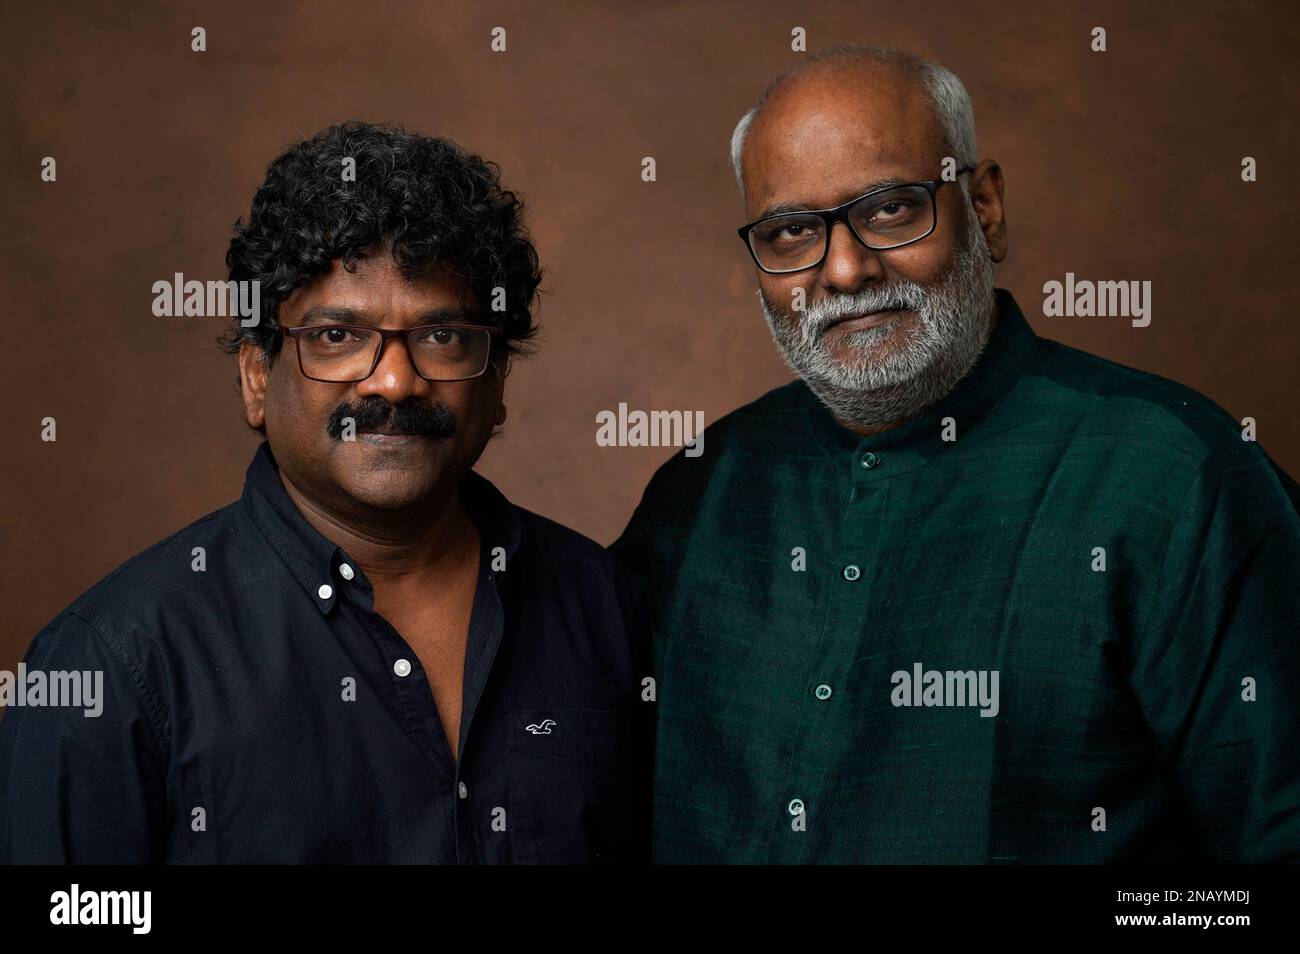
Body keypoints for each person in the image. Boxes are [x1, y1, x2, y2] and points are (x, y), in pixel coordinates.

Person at [612, 46, 1300, 863]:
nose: (844, 269)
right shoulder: (697, 491)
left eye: (892, 210)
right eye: (792, 230)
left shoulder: (1174, 477)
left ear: (985, 206)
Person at [0, 121, 651, 864]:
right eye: (338, 337)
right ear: (255, 376)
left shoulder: (606, 608)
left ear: (497, 380)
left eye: (443, 337)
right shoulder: (108, 663)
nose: (396, 380)